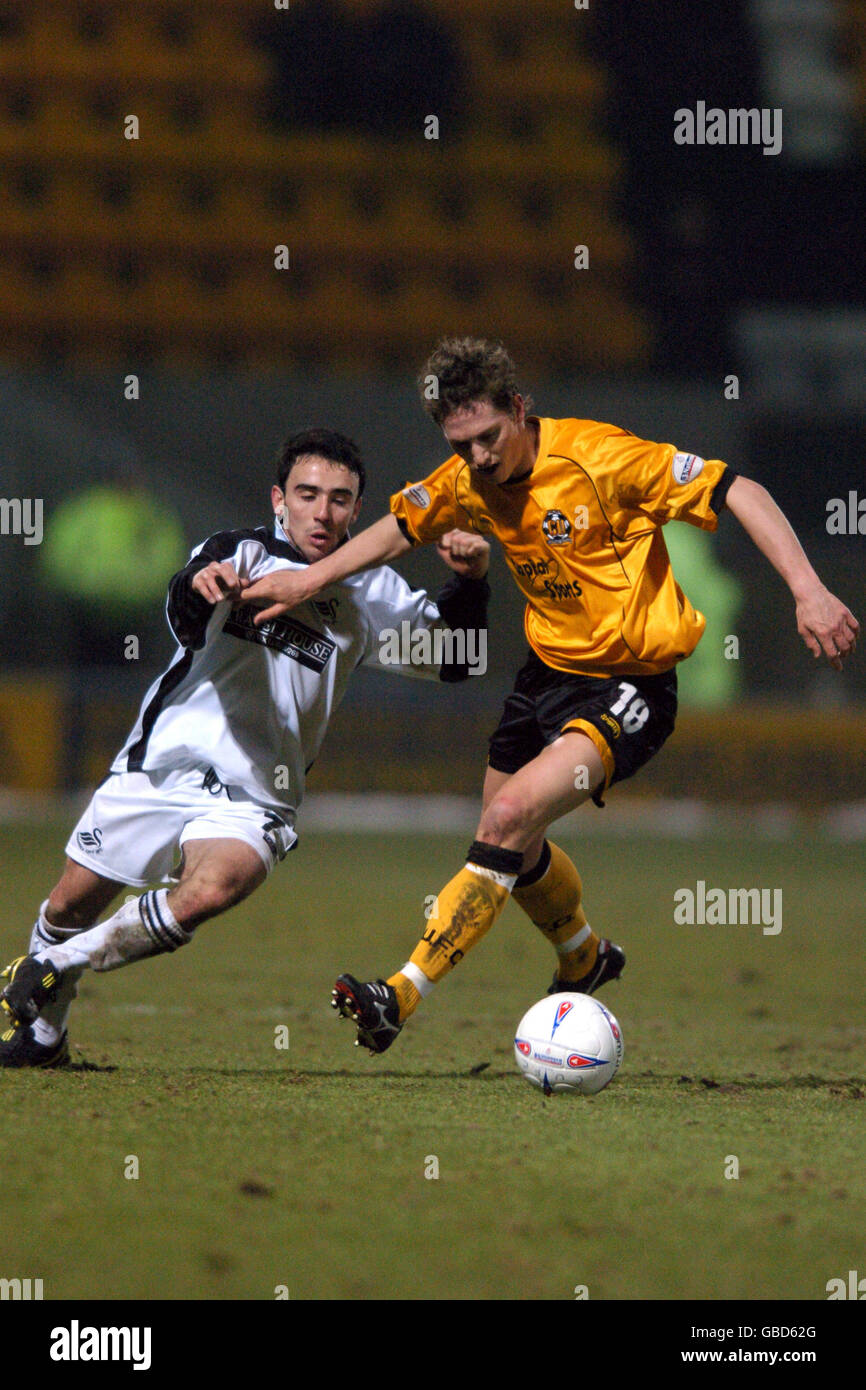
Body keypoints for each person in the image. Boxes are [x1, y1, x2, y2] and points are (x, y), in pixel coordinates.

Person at [235, 338, 859, 1056]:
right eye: (460, 444)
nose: (477, 458)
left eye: (488, 437)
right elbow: (396, 531)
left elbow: (737, 488)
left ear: (520, 409)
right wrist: (309, 582)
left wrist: (808, 591)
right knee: (512, 841)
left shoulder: (601, 458)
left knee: (504, 819)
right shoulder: (468, 479)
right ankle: (585, 956)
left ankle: (397, 998)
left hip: (630, 685)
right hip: (545, 677)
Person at [0, 428, 490, 1066]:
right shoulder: (241, 555)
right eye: (308, 494)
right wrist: (201, 586)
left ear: (358, 512)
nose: (323, 511)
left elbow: (460, 659)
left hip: (259, 793)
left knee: (214, 886)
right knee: (71, 900)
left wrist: (472, 583)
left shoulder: (371, 593)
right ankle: (44, 1035)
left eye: (341, 499)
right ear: (279, 500)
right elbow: (180, 611)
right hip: (164, 765)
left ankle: (53, 964)